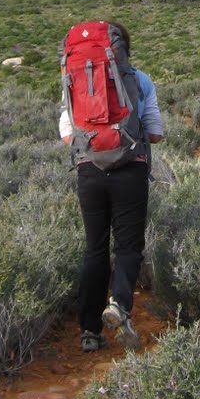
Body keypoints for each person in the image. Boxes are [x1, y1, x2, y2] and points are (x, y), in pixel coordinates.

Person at [59, 23, 163, 352]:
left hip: (89, 170)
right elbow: (156, 132)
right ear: (122, 51)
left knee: (94, 249)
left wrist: (94, 141)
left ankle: (89, 331)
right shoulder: (140, 80)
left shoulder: (73, 80)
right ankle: (118, 304)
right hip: (130, 169)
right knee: (129, 246)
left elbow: (66, 134)